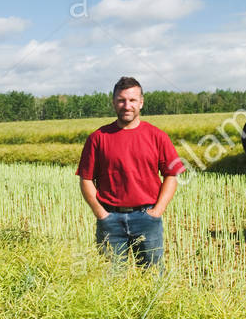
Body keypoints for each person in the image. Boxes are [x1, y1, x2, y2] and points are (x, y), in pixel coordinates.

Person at [76, 76, 186, 269]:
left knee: (152, 279)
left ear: (141, 103)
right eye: (121, 100)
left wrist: (157, 211)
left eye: (132, 100)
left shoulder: (157, 136)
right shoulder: (97, 138)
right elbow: (86, 179)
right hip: (110, 220)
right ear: (113, 103)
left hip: (147, 219)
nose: (127, 105)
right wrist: (100, 213)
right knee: (110, 282)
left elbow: (172, 175)